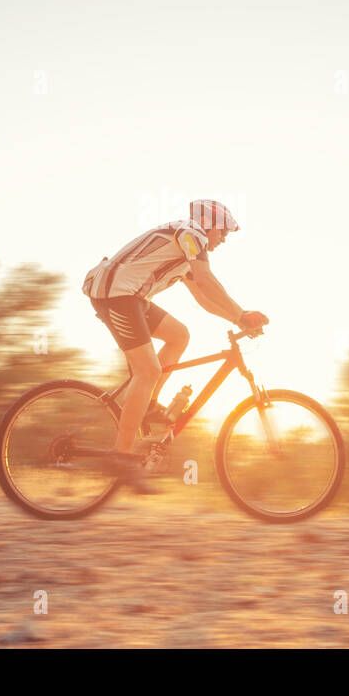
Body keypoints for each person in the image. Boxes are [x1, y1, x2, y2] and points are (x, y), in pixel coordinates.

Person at [82, 199, 268, 492]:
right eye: (224, 233)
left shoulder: (188, 252)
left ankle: (147, 405)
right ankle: (121, 456)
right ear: (211, 224)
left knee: (179, 335)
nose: (223, 240)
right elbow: (207, 279)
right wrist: (242, 314)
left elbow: (204, 298)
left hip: (130, 296)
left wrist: (239, 319)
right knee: (147, 371)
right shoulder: (191, 233)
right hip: (116, 294)